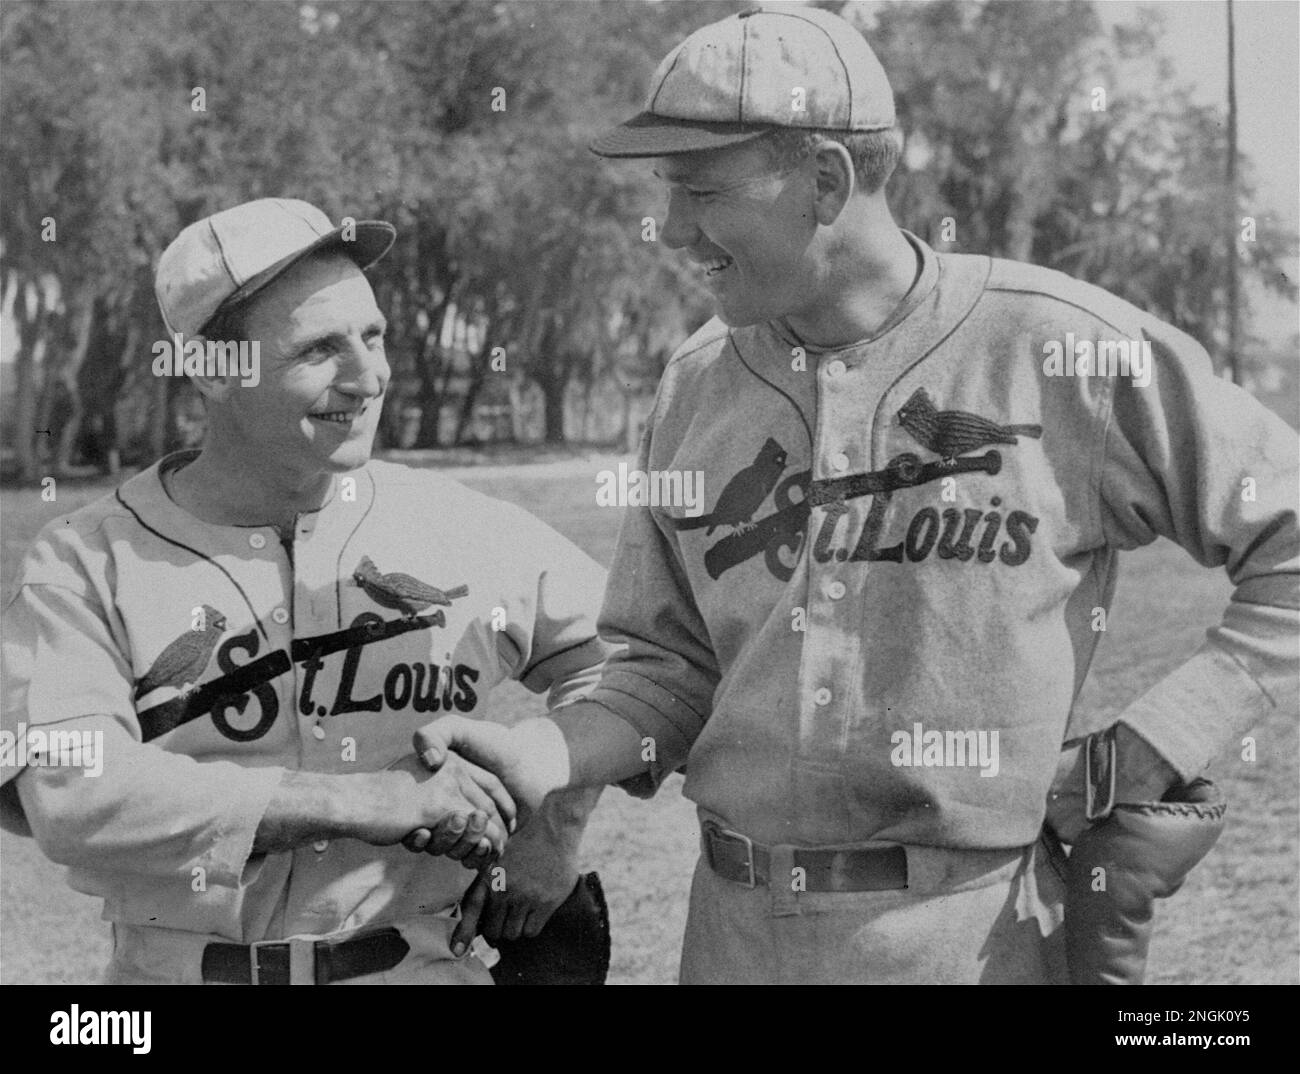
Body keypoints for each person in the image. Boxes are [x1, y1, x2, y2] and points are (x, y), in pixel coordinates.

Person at [424, 5, 1299, 984]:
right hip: (731, 935)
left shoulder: (1059, 346)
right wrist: (546, 751)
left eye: (699, 190)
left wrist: (1158, 738)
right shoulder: (697, 379)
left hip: (971, 941)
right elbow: (662, 669)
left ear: (827, 182)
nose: (669, 230)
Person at [0, 197, 609, 985]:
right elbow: (72, 792)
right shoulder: (87, 561)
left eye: (373, 335)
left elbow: (633, 663)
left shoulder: (463, 527)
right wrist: (367, 801)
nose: (368, 377)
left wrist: (551, 829)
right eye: (319, 349)